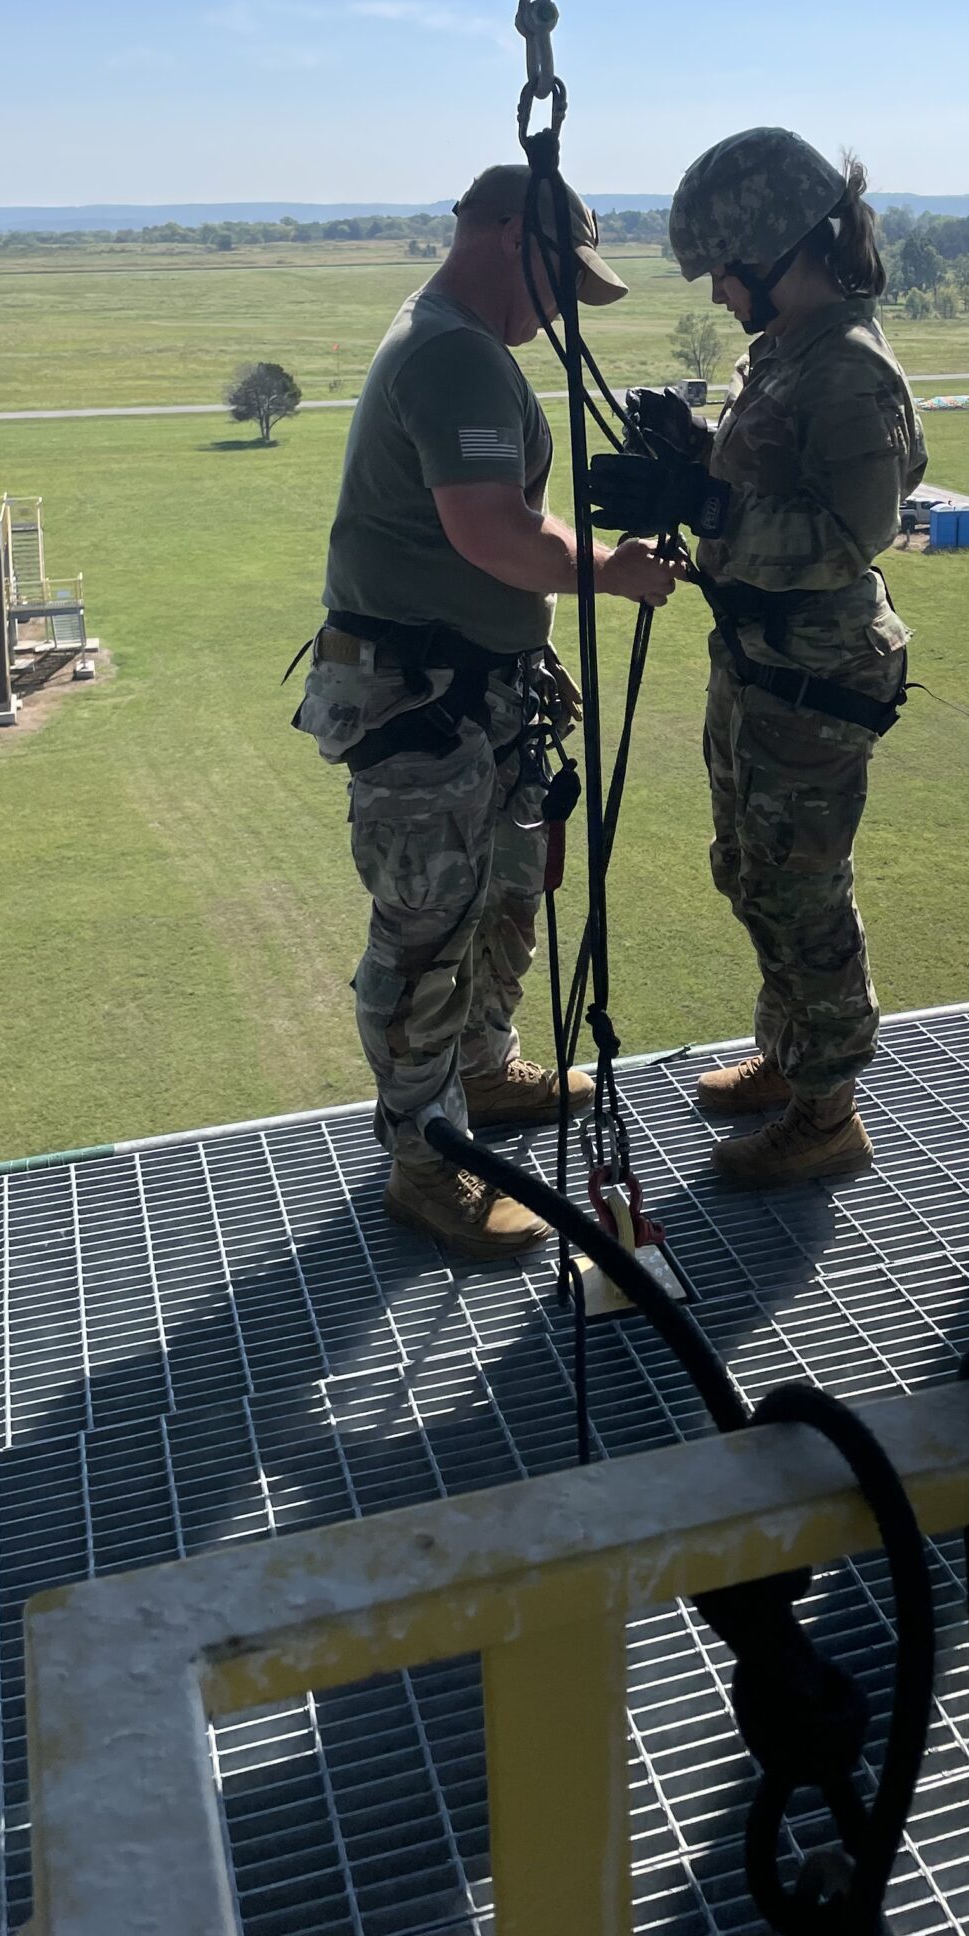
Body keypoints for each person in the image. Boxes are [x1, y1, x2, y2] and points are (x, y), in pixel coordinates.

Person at [293, 164, 678, 1261]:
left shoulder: (463, 339)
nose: (563, 310)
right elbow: (494, 538)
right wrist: (616, 572)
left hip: (475, 695)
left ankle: (482, 1069)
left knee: (504, 895)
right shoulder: (456, 353)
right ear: (509, 235)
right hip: (428, 711)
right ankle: (427, 1161)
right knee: (424, 934)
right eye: (562, 279)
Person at [591, 128, 926, 1189]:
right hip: (758, 656)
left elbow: (847, 536)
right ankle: (793, 1060)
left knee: (800, 888)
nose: (722, 292)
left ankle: (828, 1111)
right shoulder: (790, 350)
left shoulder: (850, 371)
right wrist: (692, 453)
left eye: (728, 271)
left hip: (814, 673)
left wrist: (707, 499)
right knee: (750, 870)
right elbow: (760, 481)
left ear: (782, 248)